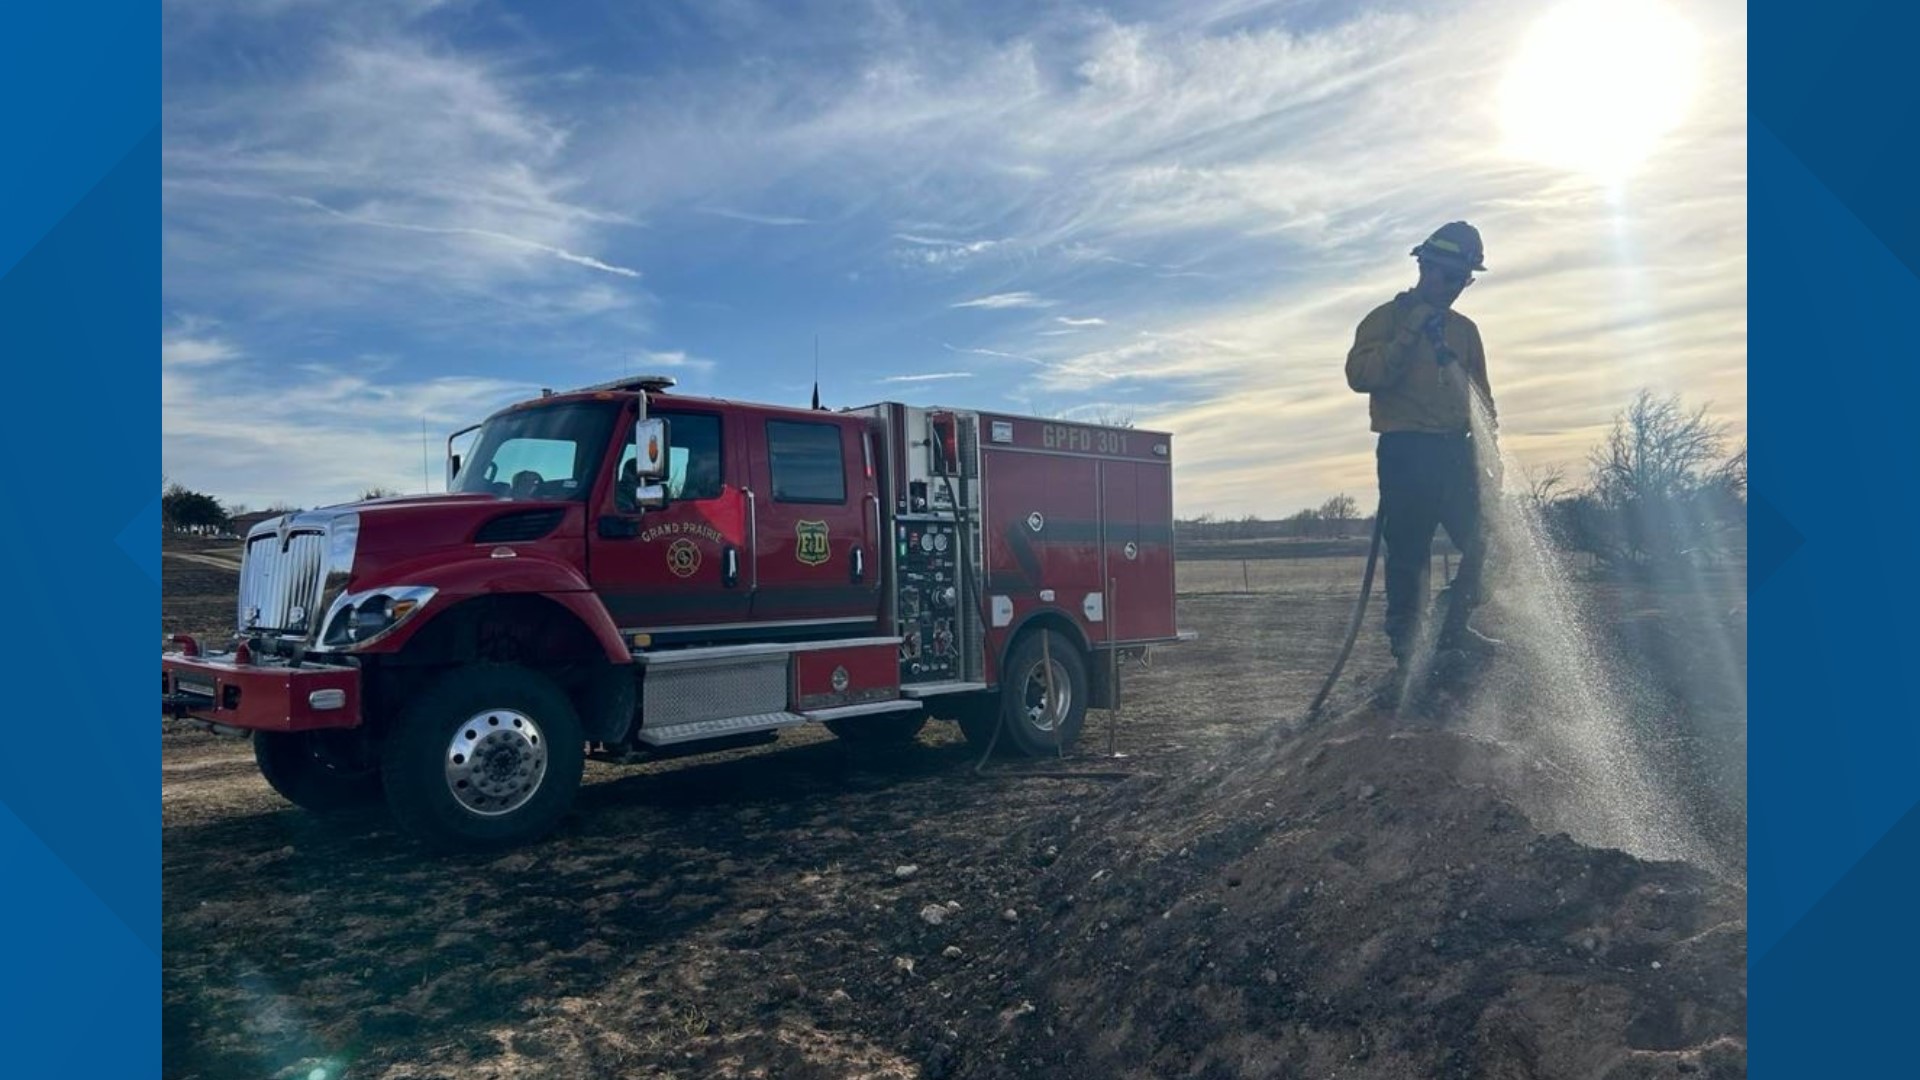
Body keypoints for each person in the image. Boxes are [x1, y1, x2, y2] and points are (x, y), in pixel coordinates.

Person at [1344, 221, 1503, 666]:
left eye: (1464, 280)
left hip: (1457, 451)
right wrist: (1410, 331)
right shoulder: (1384, 320)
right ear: (1425, 267)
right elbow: (1363, 377)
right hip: (1406, 451)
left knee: (1488, 546)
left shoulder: (1465, 332)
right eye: (1450, 277)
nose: (1456, 288)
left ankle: (1450, 627)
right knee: (1409, 556)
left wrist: (1492, 456)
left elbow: (1482, 399)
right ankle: (1409, 648)